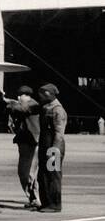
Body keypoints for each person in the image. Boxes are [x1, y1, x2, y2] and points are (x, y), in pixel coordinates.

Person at [2, 85, 40, 208]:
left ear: (27, 96)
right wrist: (5, 99)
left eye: (21, 95)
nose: (18, 97)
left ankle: (36, 199)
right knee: (23, 172)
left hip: (32, 143)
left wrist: (8, 103)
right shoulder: (26, 104)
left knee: (29, 173)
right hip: (25, 142)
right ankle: (32, 198)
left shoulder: (33, 104)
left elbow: (21, 109)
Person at [35, 83, 67, 213]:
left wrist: (54, 151)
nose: (40, 97)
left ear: (48, 94)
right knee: (43, 175)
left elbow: (59, 133)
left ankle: (54, 204)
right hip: (45, 145)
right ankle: (46, 203)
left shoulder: (57, 110)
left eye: (42, 95)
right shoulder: (46, 107)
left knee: (53, 176)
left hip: (53, 147)